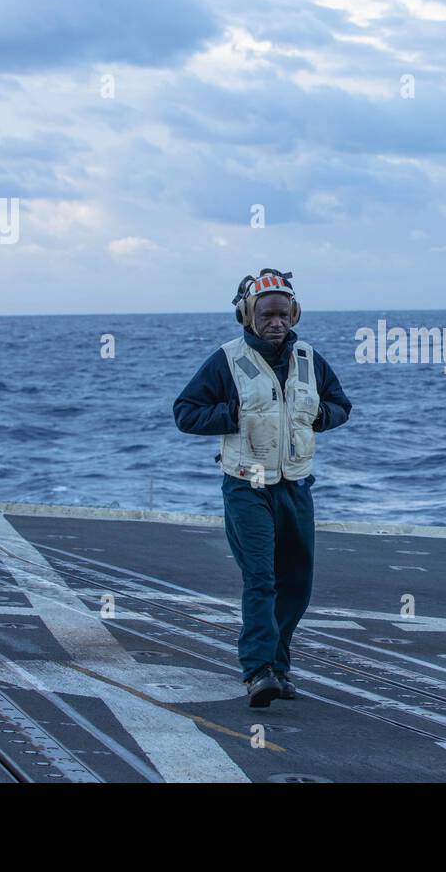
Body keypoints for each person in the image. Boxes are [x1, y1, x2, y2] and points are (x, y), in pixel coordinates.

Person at [172, 268, 352, 707]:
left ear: (294, 313)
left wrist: (319, 417)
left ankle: (279, 666)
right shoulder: (227, 360)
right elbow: (185, 412)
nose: (277, 322)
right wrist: (234, 415)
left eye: (283, 313)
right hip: (246, 487)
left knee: (297, 583)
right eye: (267, 314)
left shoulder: (310, 359)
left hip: (296, 486)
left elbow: (341, 405)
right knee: (261, 579)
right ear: (247, 316)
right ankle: (257, 672)